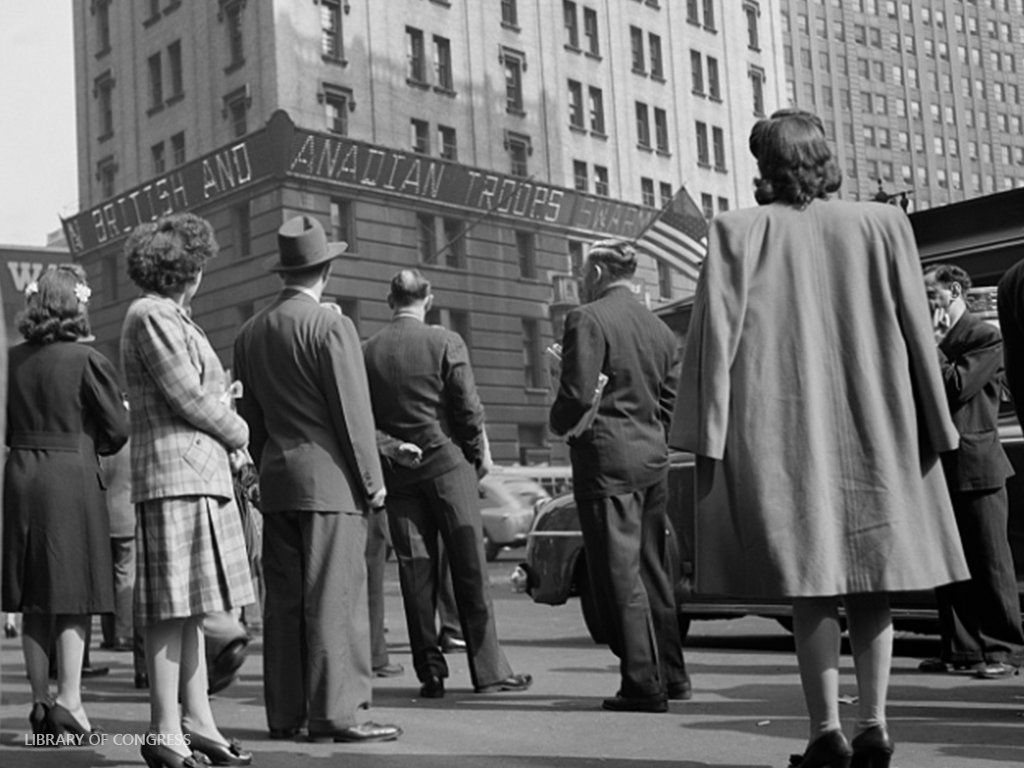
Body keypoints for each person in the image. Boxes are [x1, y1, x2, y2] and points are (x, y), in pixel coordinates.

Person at [669, 109, 970, 768]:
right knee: (873, 584)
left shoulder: (737, 232)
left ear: (765, 170)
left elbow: (712, 343)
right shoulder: (884, 224)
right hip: (878, 425)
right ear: (826, 158)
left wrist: (703, 439)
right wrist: (939, 428)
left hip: (785, 435)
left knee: (812, 587)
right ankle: (876, 726)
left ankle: (824, 732)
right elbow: (921, 334)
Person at [233, 215, 400, 744]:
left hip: (278, 482)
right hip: (330, 484)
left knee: (283, 605)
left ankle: (285, 713)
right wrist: (372, 481)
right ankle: (337, 714)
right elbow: (353, 414)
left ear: (285, 271)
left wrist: (261, 473)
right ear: (325, 269)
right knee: (334, 600)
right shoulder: (332, 325)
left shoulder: (249, 333)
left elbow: (251, 421)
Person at [121, 213, 256, 768]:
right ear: (185, 267)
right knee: (171, 610)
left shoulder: (169, 315)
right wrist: (240, 429)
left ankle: (196, 722)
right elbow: (190, 398)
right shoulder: (153, 315)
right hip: (177, 478)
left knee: (191, 609)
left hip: (191, 476)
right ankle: (163, 730)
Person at [362, 269, 531, 699]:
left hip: (400, 475)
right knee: (470, 567)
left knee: (415, 574)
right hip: (447, 466)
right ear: (429, 300)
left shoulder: (368, 352)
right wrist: (472, 457)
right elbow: (468, 408)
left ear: (389, 299)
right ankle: (489, 670)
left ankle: (430, 673)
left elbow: (361, 421)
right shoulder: (445, 342)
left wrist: (390, 446)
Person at [549, 240, 689, 714]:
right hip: (652, 459)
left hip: (607, 461)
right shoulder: (660, 329)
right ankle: (672, 672)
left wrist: (559, 420)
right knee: (653, 570)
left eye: (584, 270)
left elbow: (574, 395)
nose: (582, 278)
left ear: (599, 271)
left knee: (619, 575)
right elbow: (670, 404)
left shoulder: (587, 318)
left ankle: (642, 683)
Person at [2, 264, 129, 737]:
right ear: (77, 302)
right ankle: (70, 701)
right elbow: (118, 428)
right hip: (69, 476)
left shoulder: (11, 360)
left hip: (20, 473)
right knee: (74, 595)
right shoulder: (86, 358)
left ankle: (39, 704)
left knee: (34, 597)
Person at [919, 264, 1023, 678]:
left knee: (990, 561)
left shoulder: (984, 336)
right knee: (947, 562)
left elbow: (955, 388)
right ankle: (961, 649)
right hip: (937, 465)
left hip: (977, 462)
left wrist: (932, 343)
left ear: (955, 292)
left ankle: (1004, 649)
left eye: (932, 296)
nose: (927, 305)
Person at [100, 436, 135, 653]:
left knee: (105, 580)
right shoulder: (130, 438)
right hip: (127, 515)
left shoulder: (102, 442)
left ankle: (109, 635)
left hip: (103, 514)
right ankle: (124, 632)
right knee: (125, 577)